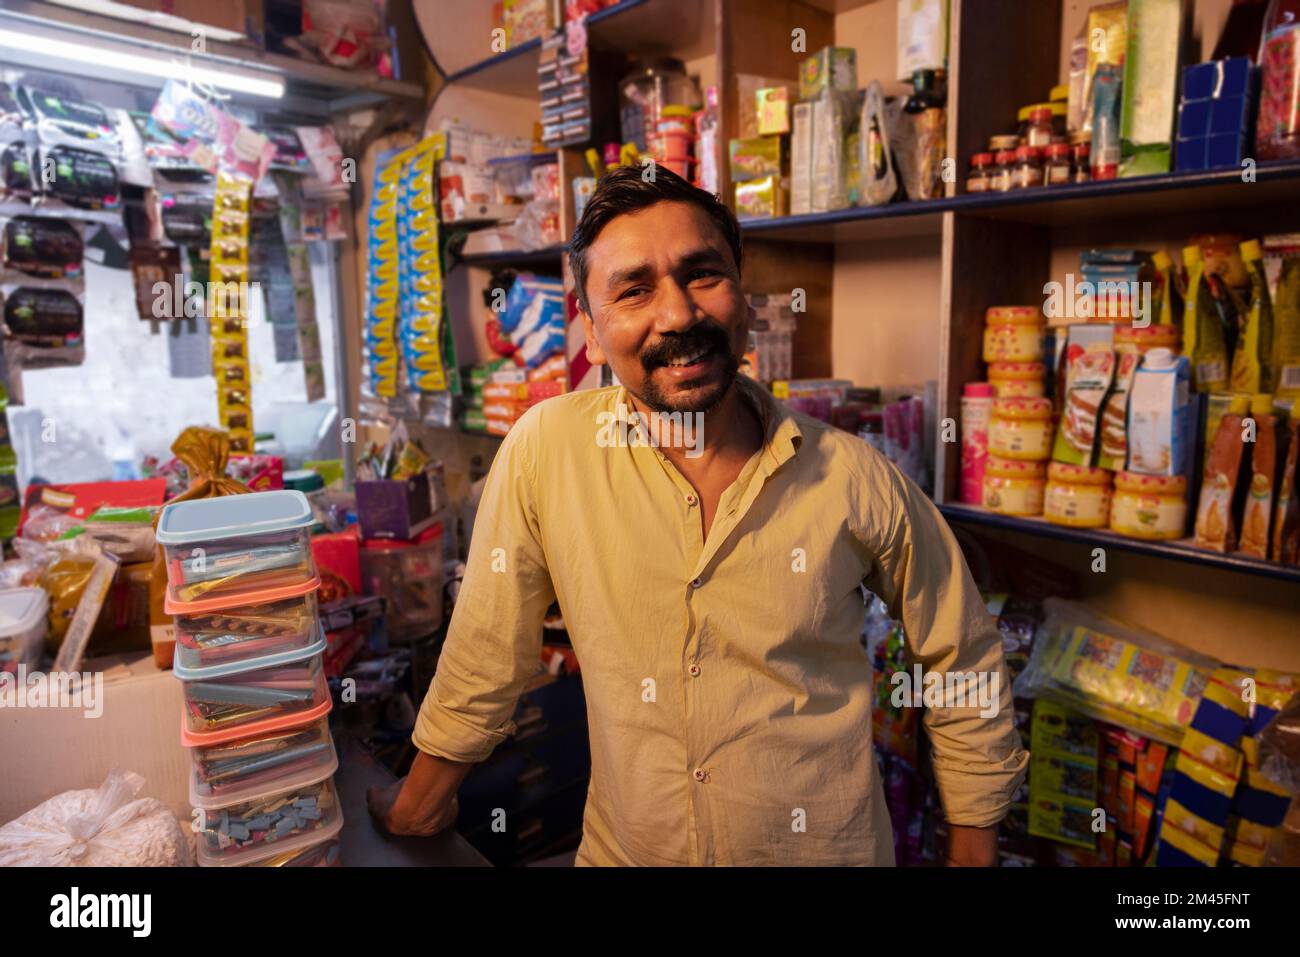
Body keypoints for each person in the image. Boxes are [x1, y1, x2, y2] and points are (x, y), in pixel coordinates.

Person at [368, 165, 1028, 865]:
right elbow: (485, 649)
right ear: (589, 331)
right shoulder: (548, 451)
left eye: (702, 274)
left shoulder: (853, 476)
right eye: (634, 290)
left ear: (744, 298)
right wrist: (423, 799)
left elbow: (961, 648)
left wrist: (973, 850)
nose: (679, 314)